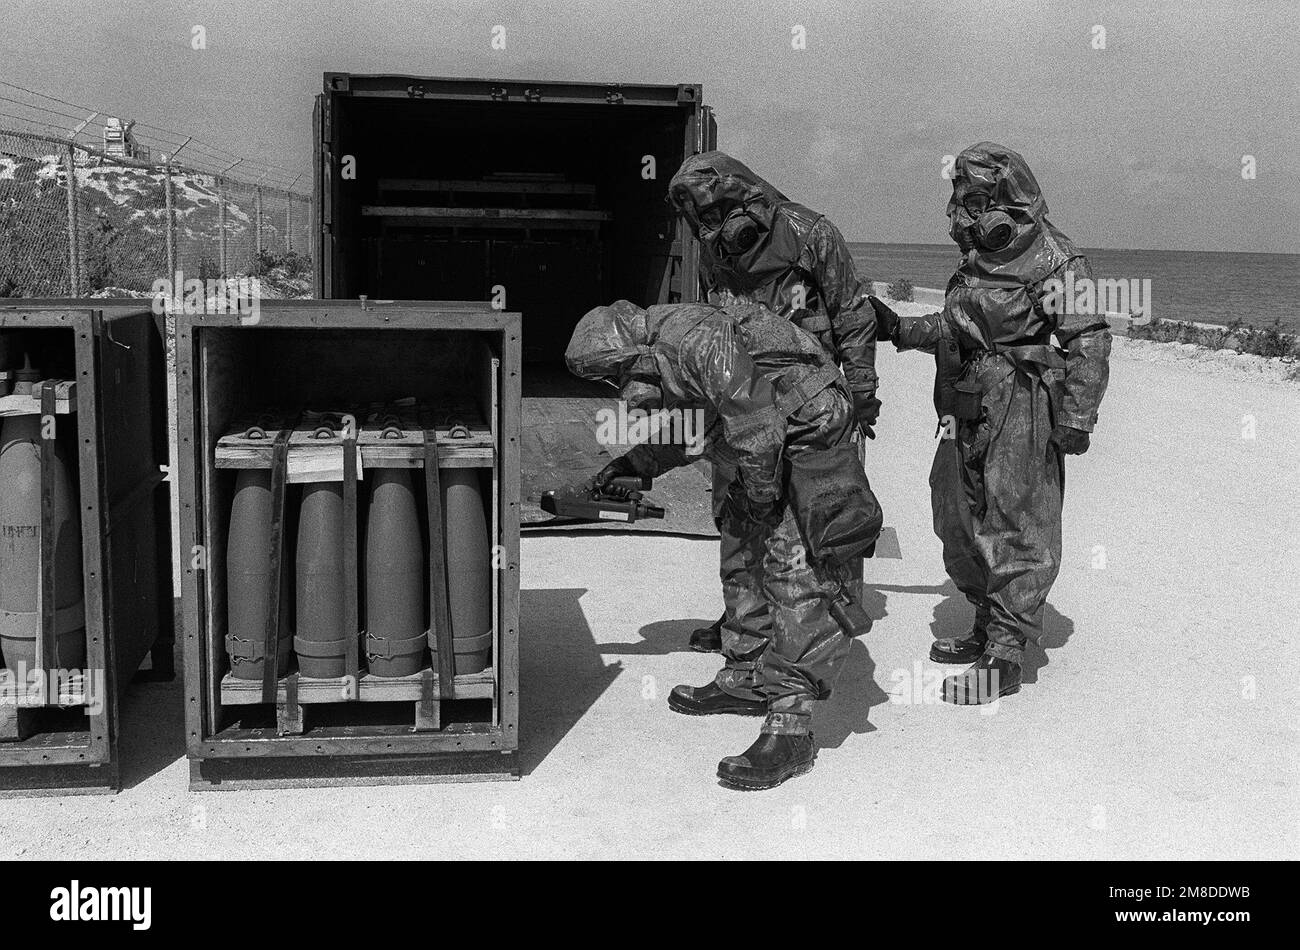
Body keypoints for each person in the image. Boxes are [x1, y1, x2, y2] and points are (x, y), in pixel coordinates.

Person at [565, 298, 881, 789]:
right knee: (741, 546)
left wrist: (761, 497)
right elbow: (698, 427)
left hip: (808, 428)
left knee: (794, 567)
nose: (620, 386)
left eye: (617, 372)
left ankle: (791, 724)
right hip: (768, 429)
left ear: (632, 347)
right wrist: (630, 467)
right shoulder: (669, 354)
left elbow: (756, 423)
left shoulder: (695, 339)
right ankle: (746, 678)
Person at [870, 142, 1111, 704]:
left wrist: (1075, 416)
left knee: (1015, 519)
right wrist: (898, 328)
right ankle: (986, 618)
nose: (974, 213)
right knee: (956, 512)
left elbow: (1089, 336)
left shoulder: (1054, 258)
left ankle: (1007, 649)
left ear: (1011, 196)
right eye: (967, 200)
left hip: (1021, 401)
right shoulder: (977, 260)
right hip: (966, 398)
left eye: (984, 199)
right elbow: (959, 328)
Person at [667, 151, 879, 657]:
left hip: (811, 403)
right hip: (746, 402)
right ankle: (747, 620)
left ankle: (817, 628)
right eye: (704, 219)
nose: (715, 227)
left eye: (720, 212)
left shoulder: (811, 233)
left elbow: (853, 312)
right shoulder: (715, 250)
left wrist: (863, 389)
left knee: (816, 522)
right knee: (740, 513)